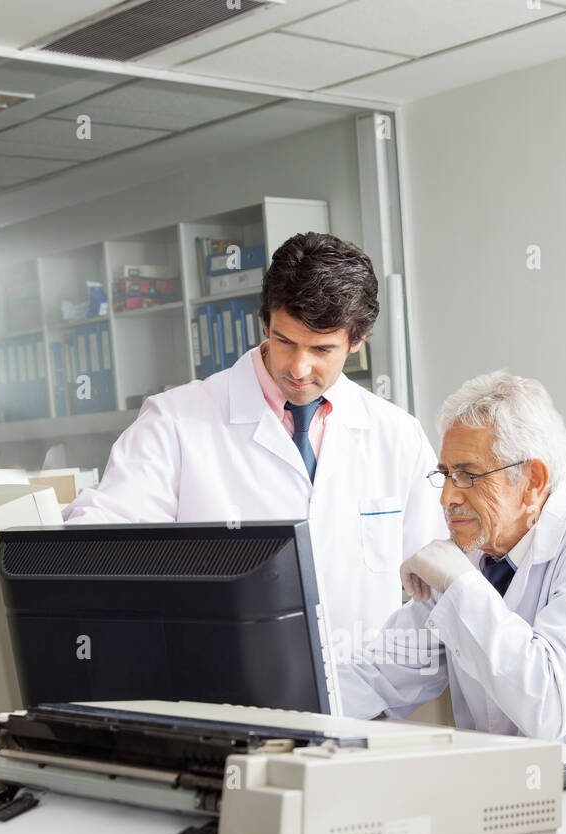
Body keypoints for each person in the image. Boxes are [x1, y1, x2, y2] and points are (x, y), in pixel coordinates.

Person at [63, 232, 442, 642]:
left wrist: (394, 687)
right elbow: (98, 543)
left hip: (364, 697)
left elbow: (437, 578)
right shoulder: (174, 421)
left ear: (357, 340)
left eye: (321, 350)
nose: (298, 367)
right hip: (223, 691)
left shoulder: (396, 434)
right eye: (285, 341)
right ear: (265, 322)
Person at [338, 371, 566, 762]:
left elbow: (548, 706)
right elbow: (379, 676)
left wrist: (462, 584)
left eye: (467, 475)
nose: (446, 497)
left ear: (533, 481)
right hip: (526, 791)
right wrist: (280, 711)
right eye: (445, 475)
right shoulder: (472, 553)